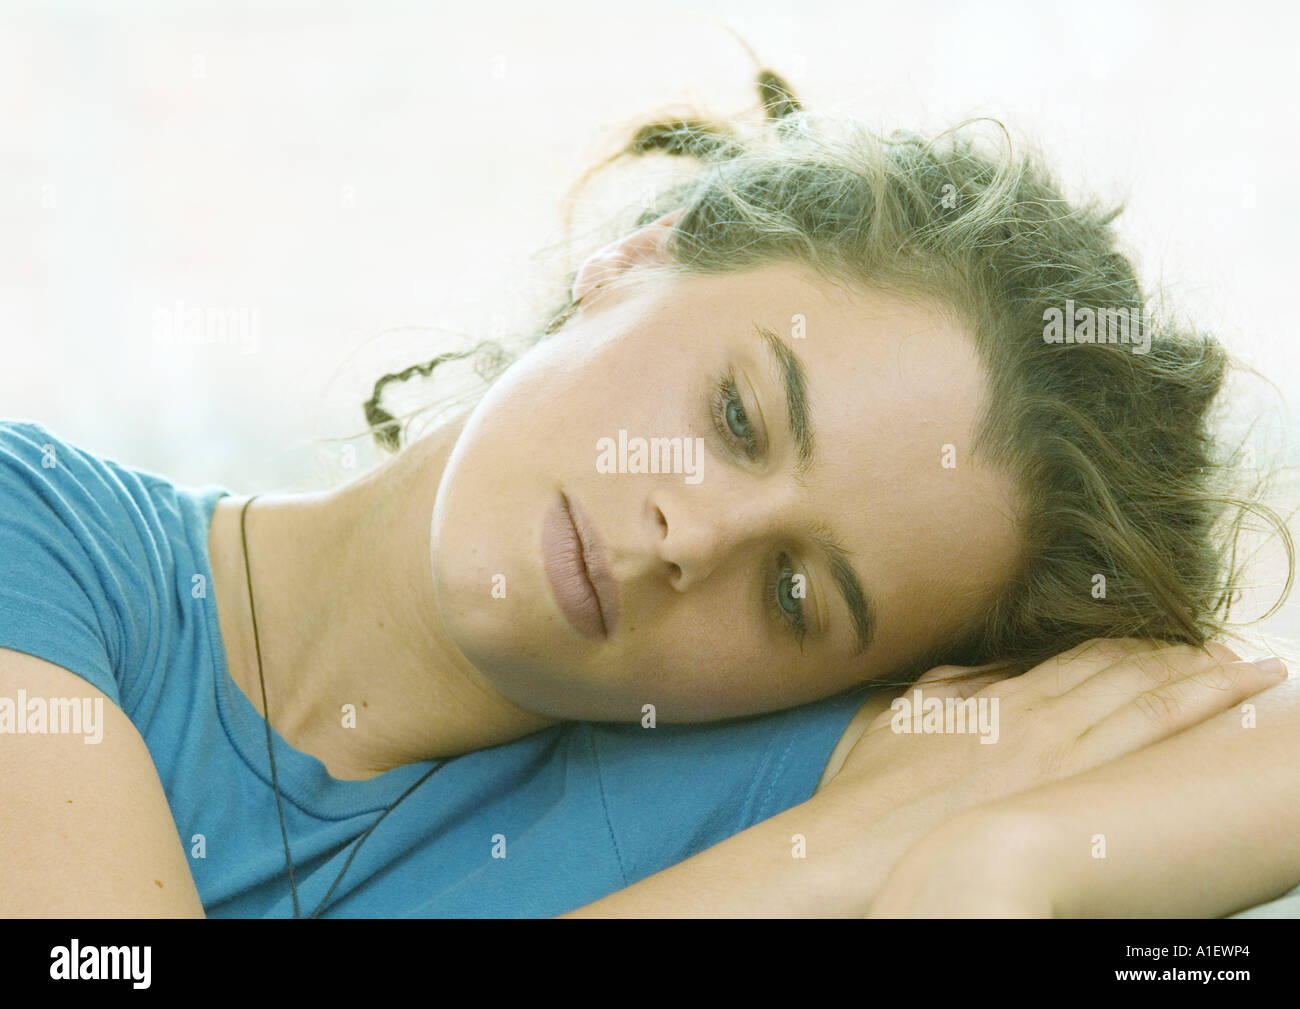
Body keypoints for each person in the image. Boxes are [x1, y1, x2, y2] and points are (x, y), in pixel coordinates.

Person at [1, 68, 1294, 917]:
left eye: (797, 592)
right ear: (636, 257)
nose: (696, 534)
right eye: (737, 415)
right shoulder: (39, 544)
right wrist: (841, 858)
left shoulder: (758, 770)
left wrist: (1006, 862)